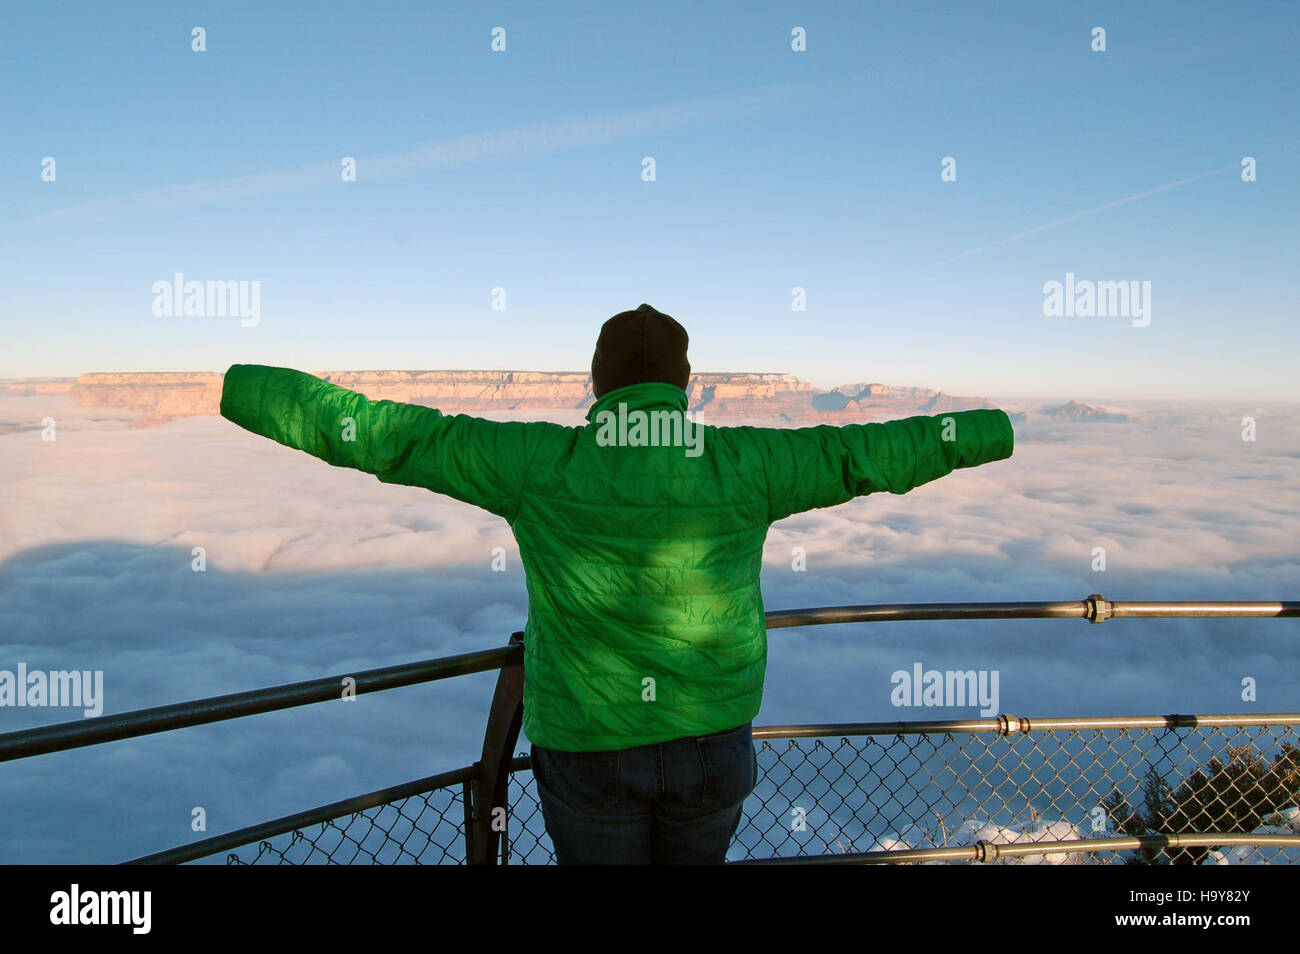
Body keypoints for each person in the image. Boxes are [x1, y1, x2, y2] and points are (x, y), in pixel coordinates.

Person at [219, 303, 1015, 864]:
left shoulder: (540, 465)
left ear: (598, 384)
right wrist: (987, 430)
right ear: (686, 384)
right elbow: (865, 452)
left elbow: (394, 437)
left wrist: (244, 387)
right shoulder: (747, 464)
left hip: (588, 746)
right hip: (712, 738)